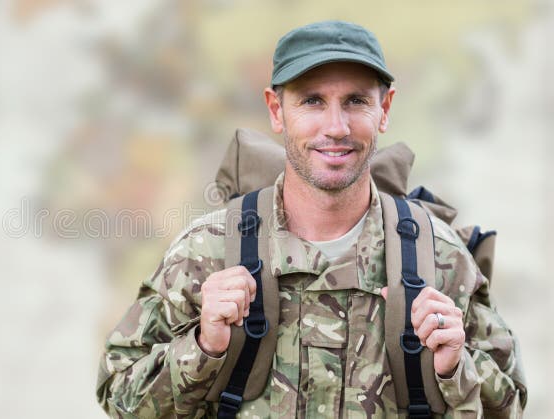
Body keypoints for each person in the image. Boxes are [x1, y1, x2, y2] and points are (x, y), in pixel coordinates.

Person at [96, 20, 525, 418]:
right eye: (312, 101)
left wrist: (454, 369)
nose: (335, 126)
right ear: (277, 110)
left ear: (385, 109)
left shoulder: (440, 259)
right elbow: (118, 397)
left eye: (356, 101)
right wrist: (204, 347)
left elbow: (510, 406)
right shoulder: (208, 251)